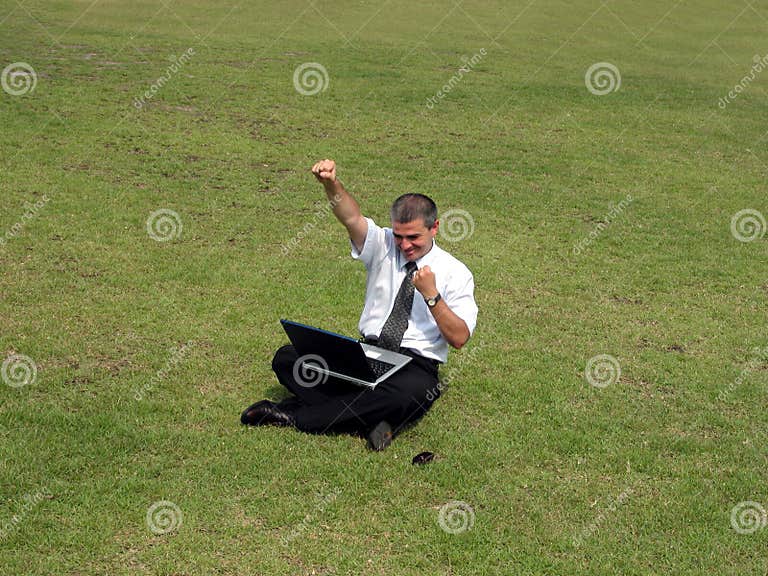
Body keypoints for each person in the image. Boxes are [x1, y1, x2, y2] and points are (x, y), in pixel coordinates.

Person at [241, 159, 478, 450]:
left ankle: (292, 415)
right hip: (366, 354)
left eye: (413, 237)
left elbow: (459, 337)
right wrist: (330, 183)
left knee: (409, 395)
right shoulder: (383, 245)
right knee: (289, 359)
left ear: (435, 228)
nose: (404, 246)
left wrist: (432, 296)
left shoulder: (456, 272)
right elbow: (351, 218)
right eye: (399, 236)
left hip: (414, 366)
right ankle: (377, 420)